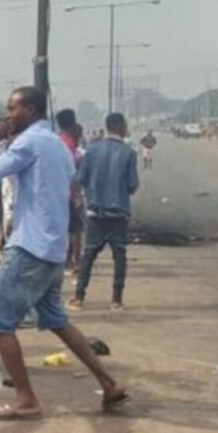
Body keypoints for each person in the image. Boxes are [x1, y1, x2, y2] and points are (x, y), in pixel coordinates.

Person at [0, 87, 128, 421]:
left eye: (12, 107)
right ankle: (109, 382)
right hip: (52, 246)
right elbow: (67, 182)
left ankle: (26, 399)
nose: (8, 114)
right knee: (56, 320)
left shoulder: (29, 143)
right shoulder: (57, 143)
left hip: (30, 245)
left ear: (30, 109)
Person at [69, 113, 140, 312]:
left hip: (96, 211)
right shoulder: (128, 153)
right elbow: (133, 185)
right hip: (119, 211)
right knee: (119, 255)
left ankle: (79, 297)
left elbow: (80, 178)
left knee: (89, 254)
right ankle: (116, 299)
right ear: (119, 126)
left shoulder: (92, 150)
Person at [56, 109, 85, 275]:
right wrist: (76, 196)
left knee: (69, 228)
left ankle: (68, 260)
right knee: (75, 229)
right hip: (67, 192)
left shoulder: (63, 142)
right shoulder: (67, 145)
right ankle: (76, 262)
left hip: (63, 192)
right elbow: (71, 173)